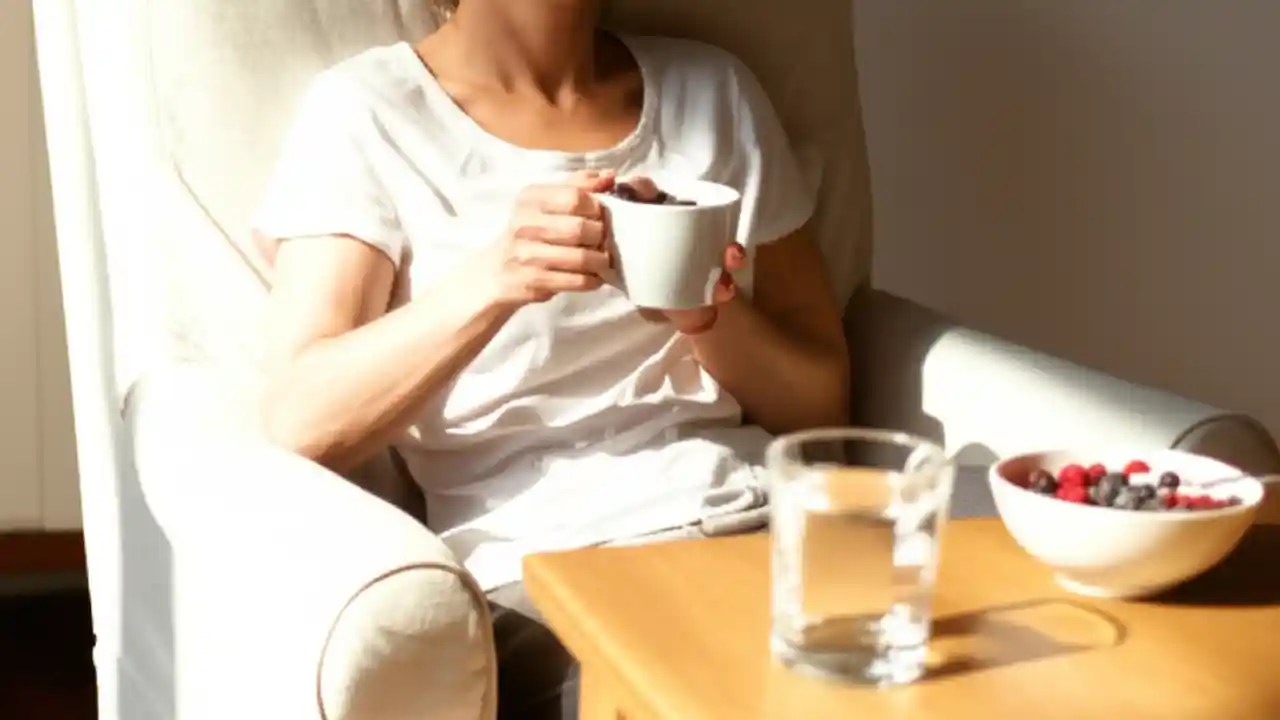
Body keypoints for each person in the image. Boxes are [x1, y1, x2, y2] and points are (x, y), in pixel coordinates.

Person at [252, 0, 849, 716]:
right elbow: (302, 418)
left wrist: (707, 316)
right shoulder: (369, 113)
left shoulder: (712, 90)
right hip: (545, 573)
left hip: (761, 528)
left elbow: (820, 403)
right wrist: (495, 280)